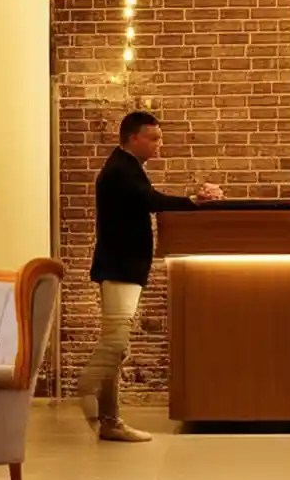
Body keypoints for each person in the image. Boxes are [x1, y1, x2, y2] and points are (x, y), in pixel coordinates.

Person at [77, 111, 222, 443]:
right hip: (120, 268)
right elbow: (150, 201)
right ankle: (101, 408)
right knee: (115, 343)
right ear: (133, 138)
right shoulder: (120, 170)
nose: (159, 144)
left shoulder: (126, 168)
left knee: (117, 343)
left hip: (123, 268)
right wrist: (194, 202)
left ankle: (105, 415)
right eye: (153, 138)